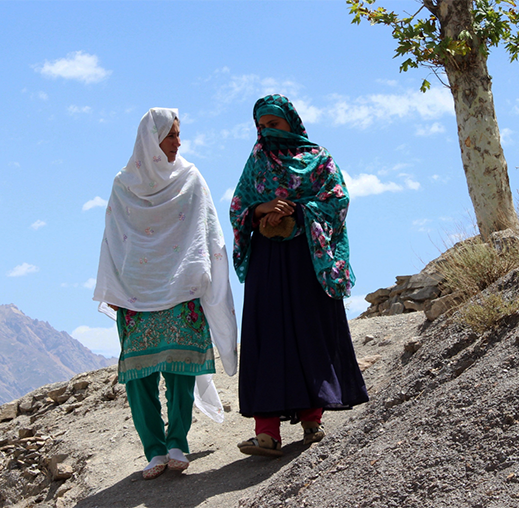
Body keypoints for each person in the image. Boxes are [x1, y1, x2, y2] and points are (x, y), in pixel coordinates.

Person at [94, 108, 237, 479]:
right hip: (134, 294)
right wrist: (112, 284)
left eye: (178, 135)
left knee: (180, 369)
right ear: (150, 140)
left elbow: (207, 230)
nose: (177, 142)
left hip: (180, 287)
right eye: (171, 135)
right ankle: (154, 451)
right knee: (139, 379)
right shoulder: (124, 184)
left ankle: (178, 443)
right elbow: (112, 237)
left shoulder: (190, 177)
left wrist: (204, 272)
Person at [229, 94, 368, 457]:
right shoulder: (257, 161)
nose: (266, 132)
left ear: (290, 121)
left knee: (309, 331)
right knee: (267, 337)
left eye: (272, 124)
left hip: (307, 257)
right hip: (268, 260)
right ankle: (266, 433)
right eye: (260, 126)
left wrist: (296, 210)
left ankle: (312, 420)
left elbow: (338, 200)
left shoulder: (319, 159)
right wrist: (261, 209)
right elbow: (238, 208)